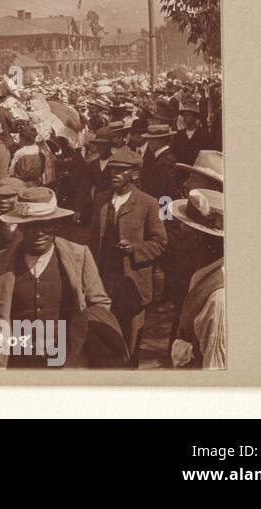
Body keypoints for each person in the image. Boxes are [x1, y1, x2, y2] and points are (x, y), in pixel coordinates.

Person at [0, 187, 116, 369]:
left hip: (66, 360)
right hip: (18, 361)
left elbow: (99, 303)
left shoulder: (79, 256)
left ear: (56, 225)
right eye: (31, 226)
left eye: (45, 225)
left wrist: (83, 336)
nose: (39, 233)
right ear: (20, 226)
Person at [88, 147, 168, 367]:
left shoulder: (148, 203)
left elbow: (160, 242)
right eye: (113, 169)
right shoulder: (102, 200)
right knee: (103, 334)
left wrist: (134, 249)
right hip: (103, 278)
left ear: (133, 174)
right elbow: (93, 240)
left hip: (133, 282)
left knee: (131, 341)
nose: (114, 174)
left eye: (121, 171)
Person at [170, 188, 225, 370]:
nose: (176, 238)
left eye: (182, 231)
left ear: (197, 240)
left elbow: (215, 369)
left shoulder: (218, 297)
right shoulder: (202, 276)